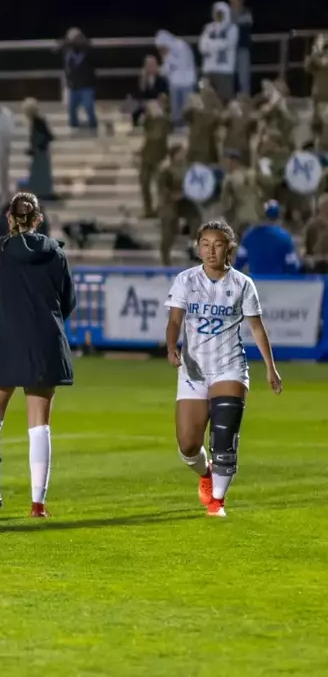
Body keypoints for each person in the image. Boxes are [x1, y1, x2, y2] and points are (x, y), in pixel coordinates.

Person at [0, 193, 73, 519]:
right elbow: (67, 302)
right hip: (43, 341)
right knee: (40, 427)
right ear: (38, 219)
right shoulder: (56, 253)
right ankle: (38, 505)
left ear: (9, 218)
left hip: (5, 339)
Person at [165, 220, 283, 517]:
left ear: (228, 247)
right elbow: (175, 320)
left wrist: (271, 367)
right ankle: (206, 474)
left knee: (223, 435)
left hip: (230, 366)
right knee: (188, 444)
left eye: (217, 244)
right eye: (205, 244)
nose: (210, 250)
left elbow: (256, 329)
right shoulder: (186, 280)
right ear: (197, 247)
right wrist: (170, 347)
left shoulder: (242, 284)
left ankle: (217, 501)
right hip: (193, 369)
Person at [236, 201, 300, 276]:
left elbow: (238, 263)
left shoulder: (249, 235)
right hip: (278, 284)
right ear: (278, 217)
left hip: (256, 283)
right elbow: (292, 267)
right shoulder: (285, 237)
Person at [199, 2, 240, 103]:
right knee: (205, 99)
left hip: (225, 71)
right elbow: (202, 46)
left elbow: (228, 44)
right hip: (208, 69)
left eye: (220, 13)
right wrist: (217, 44)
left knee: (225, 100)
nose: (218, 15)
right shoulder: (208, 28)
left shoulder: (232, 28)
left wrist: (211, 44)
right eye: (216, 13)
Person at [60, 28, 97, 133]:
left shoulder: (88, 49)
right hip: (73, 85)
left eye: (78, 37)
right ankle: (74, 127)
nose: (76, 40)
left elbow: (95, 59)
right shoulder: (67, 49)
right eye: (73, 38)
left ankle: (93, 125)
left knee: (88, 107)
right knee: (71, 110)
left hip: (87, 84)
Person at [157, 29, 198, 126]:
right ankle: (176, 126)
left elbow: (183, 64)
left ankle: (187, 126)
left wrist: (168, 59)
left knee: (186, 107)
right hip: (175, 83)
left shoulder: (181, 46)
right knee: (175, 108)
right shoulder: (166, 53)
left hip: (186, 82)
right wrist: (160, 71)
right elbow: (166, 69)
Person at [139, 100, 172, 217]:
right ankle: (148, 209)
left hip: (160, 156)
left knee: (161, 185)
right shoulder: (149, 120)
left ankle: (161, 209)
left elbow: (161, 133)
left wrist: (161, 115)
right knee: (144, 183)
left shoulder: (165, 120)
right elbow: (145, 129)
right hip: (147, 155)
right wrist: (148, 116)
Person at [24, 99, 55, 200]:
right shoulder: (34, 122)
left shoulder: (39, 122)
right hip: (38, 153)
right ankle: (39, 192)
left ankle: (44, 193)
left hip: (41, 153)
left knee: (41, 173)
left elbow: (48, 136)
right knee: (37, 173)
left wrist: (39, 146)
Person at [228, 0, 254, 98]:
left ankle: (245, 103)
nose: (237, 1)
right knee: (228, 79)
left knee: (244, 79)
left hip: (243, 49)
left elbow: (248, 23)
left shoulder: (246, 11)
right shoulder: (226, 12)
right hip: (229, 51)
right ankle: (228, 103)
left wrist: (234, 21)